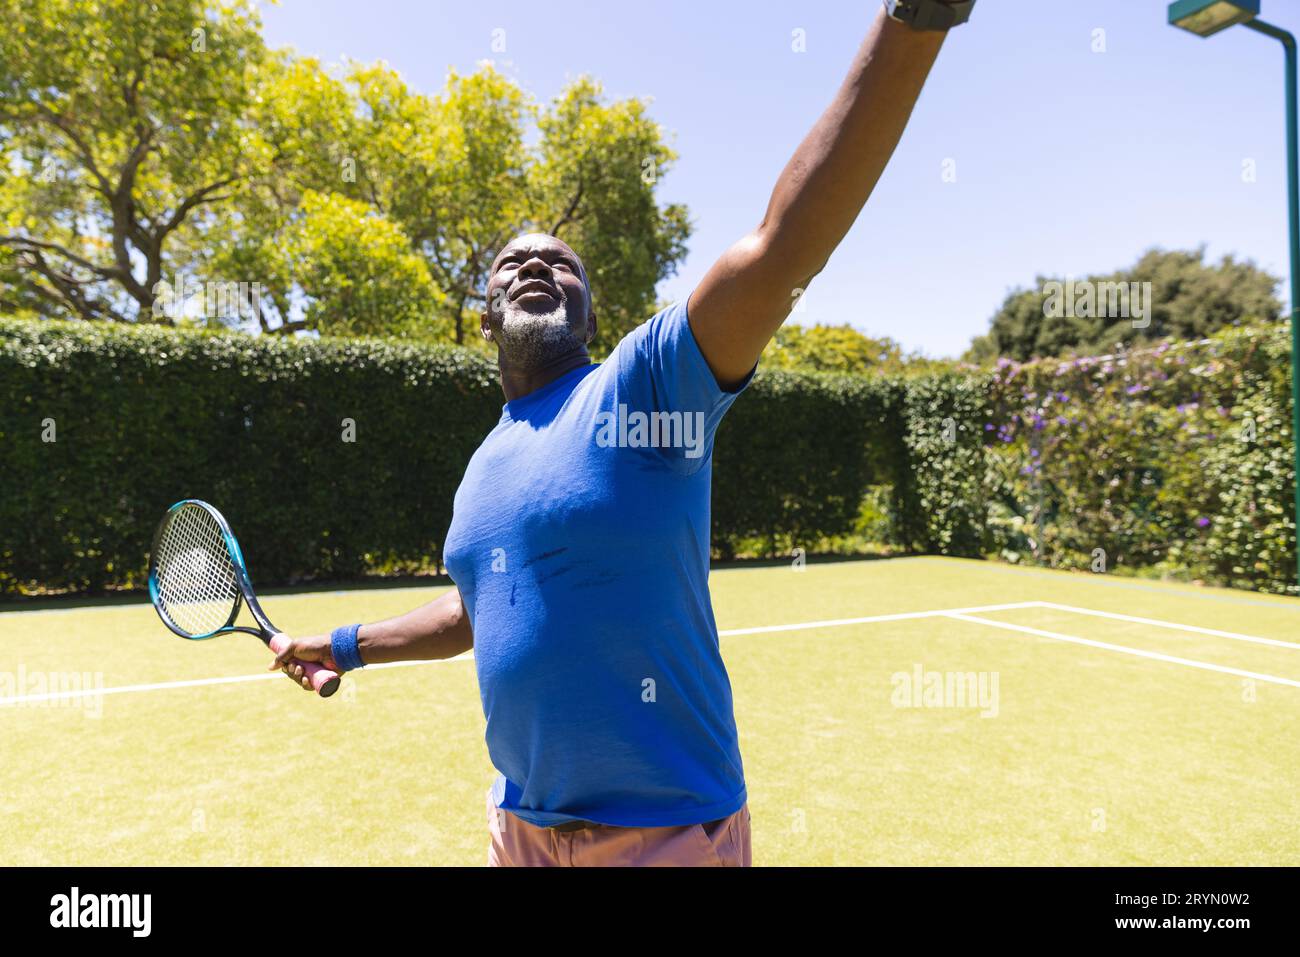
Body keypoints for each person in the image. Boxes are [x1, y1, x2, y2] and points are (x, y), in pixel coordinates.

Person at [272, 0, 976, 867]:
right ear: (485, 317)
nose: (535, 263)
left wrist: (917, 19)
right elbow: (477, 607)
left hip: (667, 837)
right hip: (518, 830)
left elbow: (782, 248)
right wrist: (342, 645)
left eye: (560, 263)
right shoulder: (482, 463)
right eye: (511, 264)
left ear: (590, 309)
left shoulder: (644, 385)